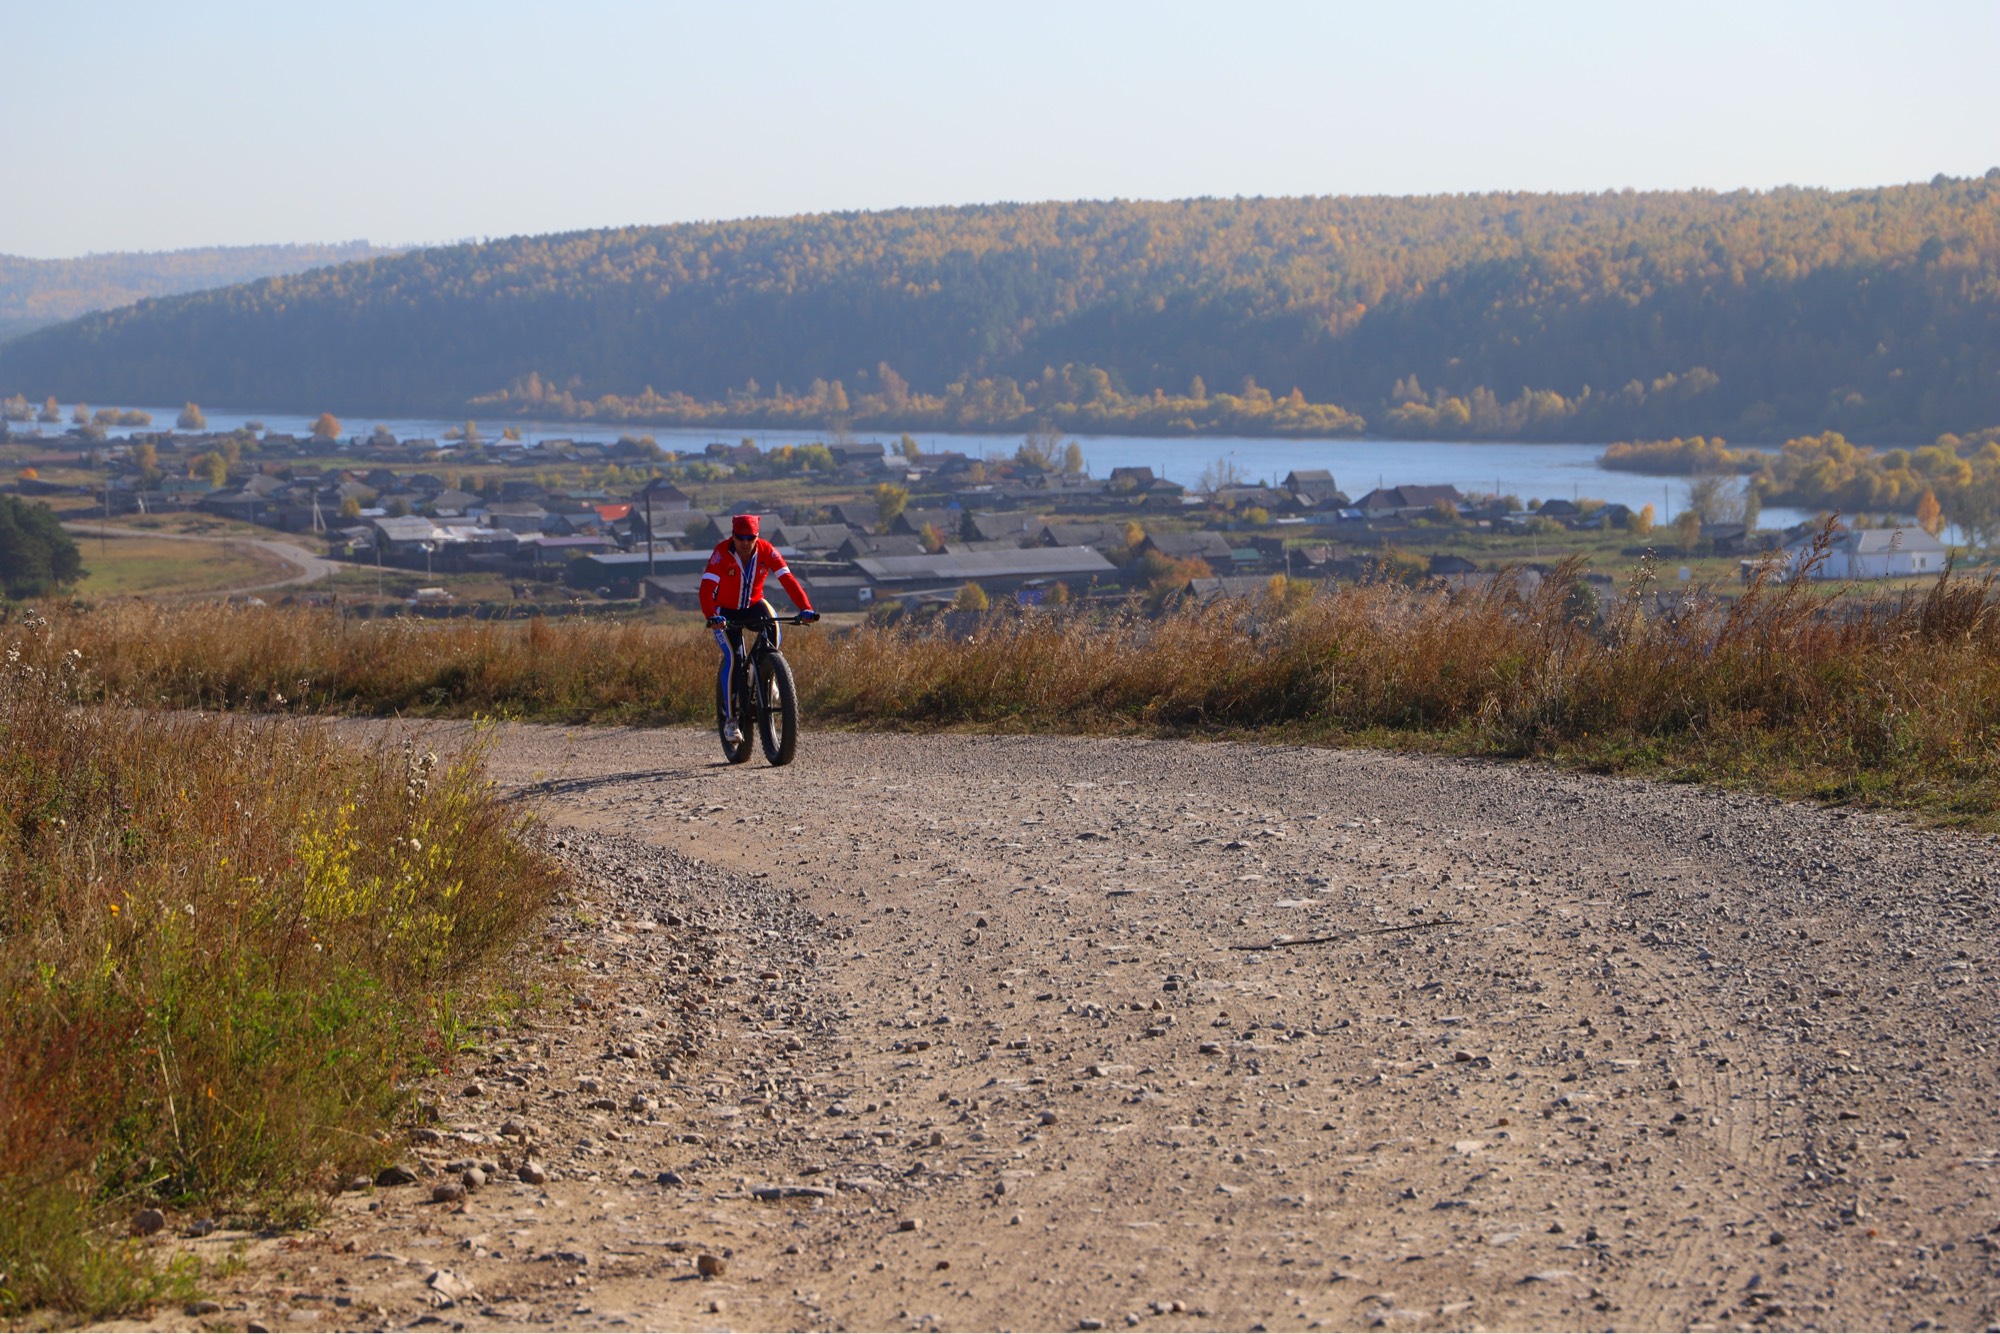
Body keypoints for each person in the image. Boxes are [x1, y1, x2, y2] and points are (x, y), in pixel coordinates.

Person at [701, 514, 817, 745]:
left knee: (773, 631)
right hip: (724, 611)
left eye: (750, 537)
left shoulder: (767, 550)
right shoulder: (721, 553)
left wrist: (806, 608)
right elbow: (706, 588)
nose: (745, 542)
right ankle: (731, 720)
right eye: (739, 537)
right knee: (734, 658)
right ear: (732, 536)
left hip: (754, 604)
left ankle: (769, 675)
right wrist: (712, 616)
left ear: (757, 536)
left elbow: (788, 579)